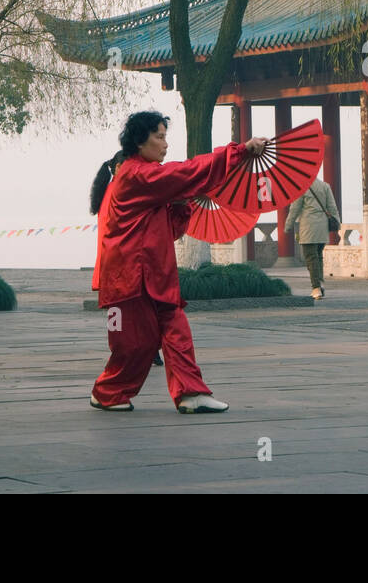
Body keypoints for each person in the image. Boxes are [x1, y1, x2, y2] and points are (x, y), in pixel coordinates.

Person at [89, 111, 266, 413]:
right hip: (130, 276)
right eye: (159, 137)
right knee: (134, 344)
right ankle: (109, 393)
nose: (165, 144)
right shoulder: (137, 174)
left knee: (173, 331)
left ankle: (189, 393)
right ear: (139, 141)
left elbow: (165, 227)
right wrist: (239, 151)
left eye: (164, 136)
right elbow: (185, 172)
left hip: (149, 274)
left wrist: (184, 202)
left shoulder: (141, 176)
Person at [285, 177, 340, 300]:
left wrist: (288, 225)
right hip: (322, 227)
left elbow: (295, 209)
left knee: (311, 258)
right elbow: (332, 207)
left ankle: (316, 288)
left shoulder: (301, 187)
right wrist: (337, 223)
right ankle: (320, 283)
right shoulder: (325, 186)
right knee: (318, 257)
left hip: (308, 227)